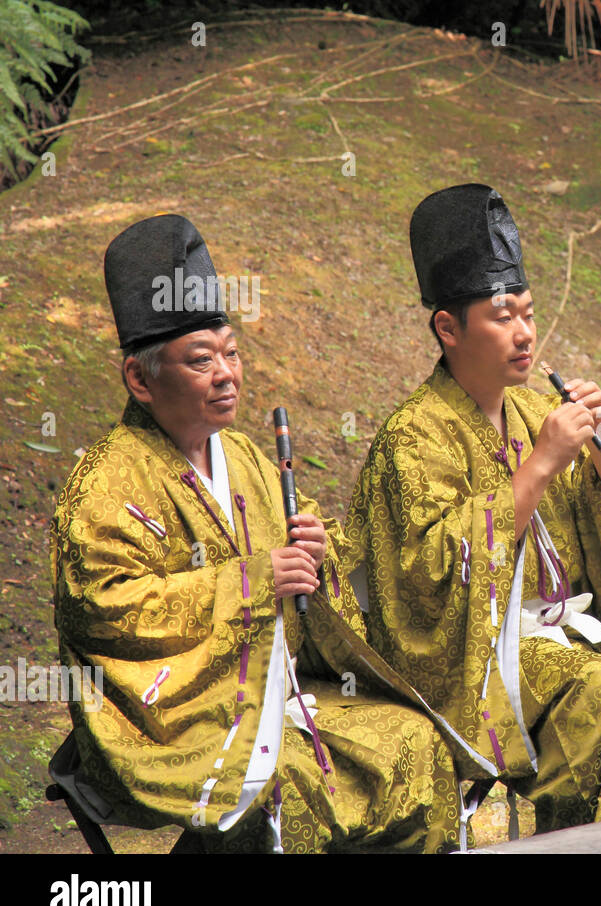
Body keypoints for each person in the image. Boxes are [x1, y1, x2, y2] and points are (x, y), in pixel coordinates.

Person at [344, 184, 601, 831]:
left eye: (530, 314)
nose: (525, 333)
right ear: (448, 327)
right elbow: (424, 581)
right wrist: (539, 465)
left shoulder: (539, 411)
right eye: (503, 316)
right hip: (484, 655)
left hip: (575, 632)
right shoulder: (414, 436)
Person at [51, 214, 462, 853]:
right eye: (200, 360)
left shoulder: (243, 456)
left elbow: (317, 549)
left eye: (231, 352)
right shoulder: (107, 480)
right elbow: (102, 611)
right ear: (140, 378)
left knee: (416, 741)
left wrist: (318, 553)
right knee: (290, 784)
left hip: (275, 689)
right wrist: (250, 581)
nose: (227, 374)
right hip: (168, 720)